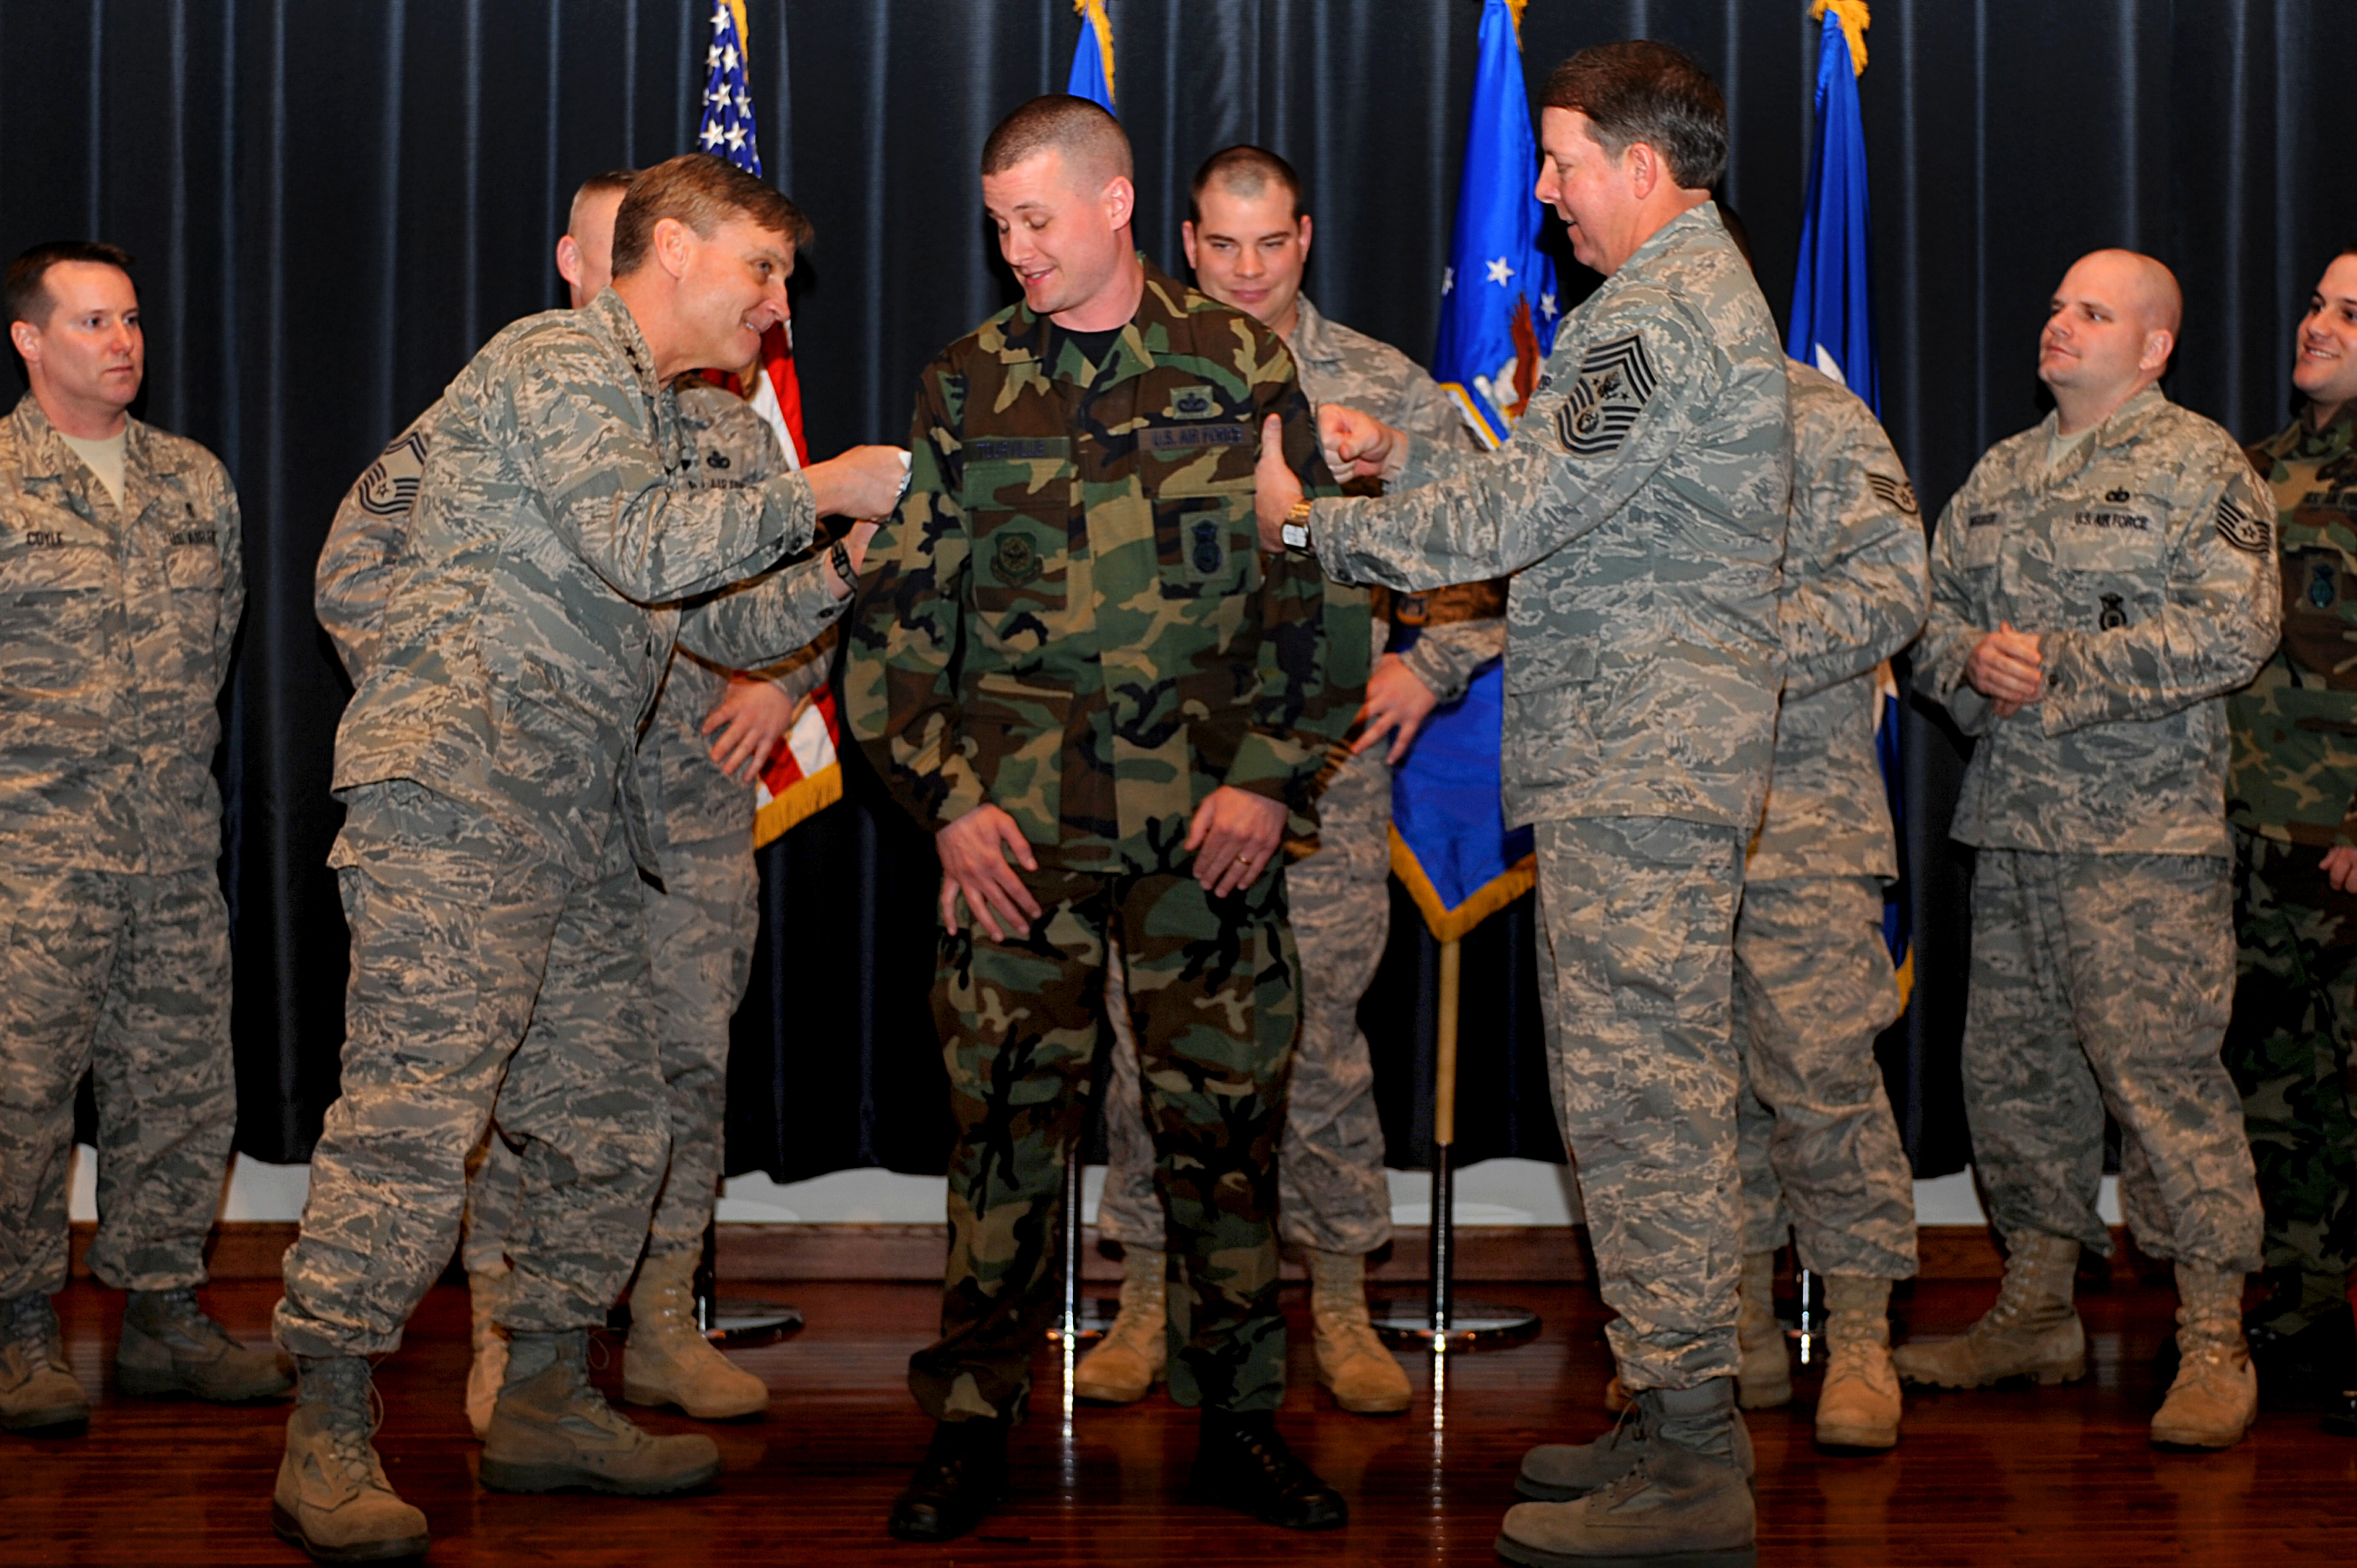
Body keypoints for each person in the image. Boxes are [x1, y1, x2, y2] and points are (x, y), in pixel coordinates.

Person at [270, 153, 907, 1564]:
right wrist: (818, 485)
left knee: (617, 1111)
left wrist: (846, 561)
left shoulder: (664, 412)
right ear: (672, 249)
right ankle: (326, 1429)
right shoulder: (557, 360)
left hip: (580, 823)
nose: (778, 302)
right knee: (416, 1120)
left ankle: (548, 1399)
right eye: (761, 267)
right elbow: (637, 544)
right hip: (462, 808)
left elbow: (720, 624)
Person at [1257, 42, 1789, 1566]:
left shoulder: (1662, 313)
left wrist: (1312, 532)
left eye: (1561, 161)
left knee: (1647, 1103)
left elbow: (1521, 506)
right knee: (1629, 1096)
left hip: (1647, 769)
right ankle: (1666, 1417)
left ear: (1641, 165)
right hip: (1637, 763)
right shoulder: (1669, 301)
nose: (1543, 190)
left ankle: (1694, 1462)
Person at [845, 96, 1361, 1543]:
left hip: (1210, 825)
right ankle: (970, 1429)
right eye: (999, 224)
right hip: (1019, 837)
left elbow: (1318, 585)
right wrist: (947, 804)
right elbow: (900, 619)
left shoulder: (1241, 364)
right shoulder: (966, 384)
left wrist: (1269, 774)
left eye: (1036, 219)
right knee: (1003, 1134)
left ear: (1115, 206)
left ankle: (1240, 1425)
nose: (1015, 248)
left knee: (1223, 1134)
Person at [1075, 143, 1493, 1420]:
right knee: (1151, 1039)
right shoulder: (1117, 370)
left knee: (1316, 1044)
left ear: (1305, 238)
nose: (1248, 271)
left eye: (1271, 244)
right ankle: (1148, 1297)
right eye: (1223, 245)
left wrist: (1434, 665)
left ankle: (1342, 1303)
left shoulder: (1379, 383)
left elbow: (1494, 539)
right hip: (1157, 772)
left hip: (1320, 786)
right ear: (1185, 244)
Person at [1900, 249, 2279, 1452]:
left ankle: (2213, 1337)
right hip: (2012, 829)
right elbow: (1924, 618)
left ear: (2153, 348)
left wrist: (2058, 667)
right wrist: (1968, 662)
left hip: (2142, 843)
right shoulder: (2001, 474)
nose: (2060, 323)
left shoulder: (2199, 464)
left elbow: (2238, 628)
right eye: (2058, 304)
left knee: (2163, 1086)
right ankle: (2035, 1311)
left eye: (2094, 312)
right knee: (2015, 1083)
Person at [0, 241, 287, 1438]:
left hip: (170, 850)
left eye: (130, 321)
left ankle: (164, 1313)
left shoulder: (193, 481)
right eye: (91, 323)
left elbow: (215, 645)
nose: (122, 343)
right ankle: (17, 1323)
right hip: (31, 856)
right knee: (18, 1101)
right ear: (29, 338)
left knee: (180, 1087)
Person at [2222, 246, 2357, 1404]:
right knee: (2279, 1087)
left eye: (2351, 315)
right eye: (2318, 304)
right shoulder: (2251, 473)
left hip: (2343, 837)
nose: (2319, 325)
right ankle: (2304, 1306)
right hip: (2251, 837)